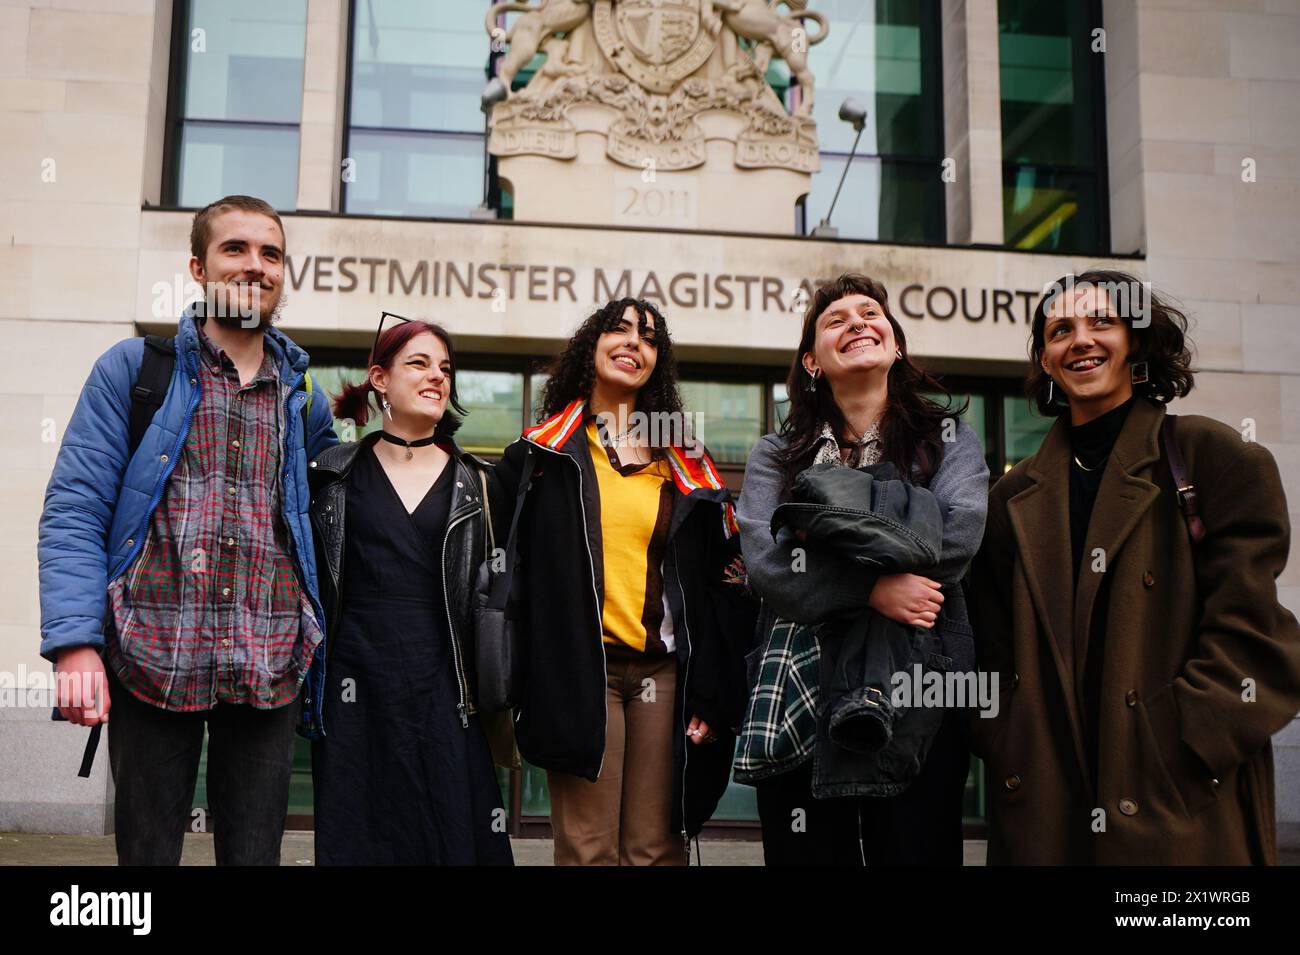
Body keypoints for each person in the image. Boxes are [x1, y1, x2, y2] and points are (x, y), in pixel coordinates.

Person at [38, 195, 339, 865]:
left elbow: (324, 524)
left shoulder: (305, 399)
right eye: (236, 249)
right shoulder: (135, 371)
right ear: (199, 267)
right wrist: (74, 643)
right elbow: (76, 509)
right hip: (151, 653)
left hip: (270, 665)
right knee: (144, 860)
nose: (255, 265)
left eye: (271, 253)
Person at [969, 270, 1300, 864]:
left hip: (1180, 800)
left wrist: (1182, 739)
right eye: (1060, 330)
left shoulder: (1212, 457)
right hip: (1047, 804)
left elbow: (1253, 633)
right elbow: (989, 644)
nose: (1080, 340)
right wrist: (1008, 739)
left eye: (1102, 322)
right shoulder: (1010, 497)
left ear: (1138, 341)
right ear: (1045, 360)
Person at [736, 272, 989, 866]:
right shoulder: (777, 454)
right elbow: (768, 565)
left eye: (870, 313)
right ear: (812, 361)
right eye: (836, 320)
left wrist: (827, 543)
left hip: (919, 685)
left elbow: (959, 534)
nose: (857, 323)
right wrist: (871, 587)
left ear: (895, 346)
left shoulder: (947, 439)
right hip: (800, 686)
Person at [494, 297, 755, 865]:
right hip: (579, 673)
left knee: (655, 849)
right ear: (591, 346)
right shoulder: (541, 455)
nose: (634, 342)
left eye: (650, 337)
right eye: (619, 330)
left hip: (662, 674)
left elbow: (725, 583)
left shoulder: (686, 462)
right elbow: (507, 576)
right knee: (590, 850)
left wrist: (713, 687)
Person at [306, 317, 513, 865]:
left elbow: (501, 590)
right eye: (419, 363)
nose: (437, 377)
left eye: (445, 368)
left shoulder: (481, 481)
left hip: (447, 684)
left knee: (450, 831)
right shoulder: (331, 474)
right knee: (359, 834)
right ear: (379, 378)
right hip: (354, 687)